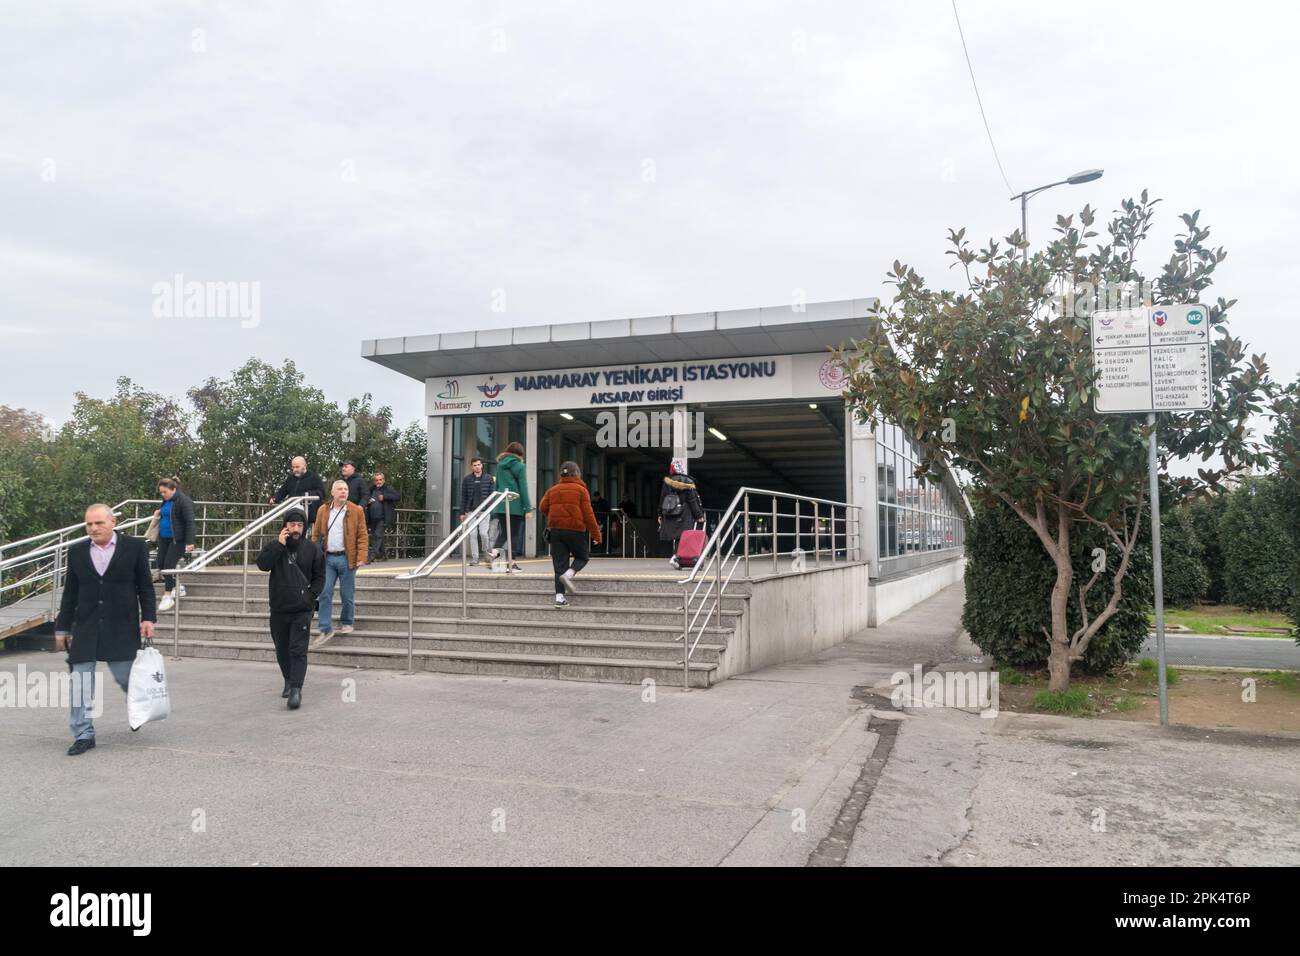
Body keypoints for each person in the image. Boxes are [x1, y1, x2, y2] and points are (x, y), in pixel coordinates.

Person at [54, 504, 157, 756]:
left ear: (112, 522)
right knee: (80, 682)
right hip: (86, 626)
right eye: (89, 524)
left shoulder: (134, 548)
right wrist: (62, 627)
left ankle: (137, 710)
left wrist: (149, 618)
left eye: (99, 523)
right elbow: (70, 592)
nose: (93, 528)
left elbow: (145, 585)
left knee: (126, 679)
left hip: (121, 625)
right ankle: (83, 734)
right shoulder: (77, 551)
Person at [255, 508, 324, 710]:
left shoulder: (312, 550)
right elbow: (263, 565)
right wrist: (279, 544)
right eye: (292, 525)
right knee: (282, 649)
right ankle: (287, 679)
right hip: (278, 608)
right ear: (285, 526)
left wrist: (311, 597)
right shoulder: (275, 547)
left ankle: (296, 689)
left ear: (304, 527)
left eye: (300, 525)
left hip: (302, 609)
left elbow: (320, 577)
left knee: (298, 650)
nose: (296, 529)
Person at [310, 480, 368, 647]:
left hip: (347, 558)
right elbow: (317, 534)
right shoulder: (323, 510)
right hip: (327, 559)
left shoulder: (356, 510)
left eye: (346, 489)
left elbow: (362, 535)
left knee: (346, 593)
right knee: (324, 592)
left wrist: (362, 555)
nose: (343, 491)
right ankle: (325, 628)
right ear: (333, 492)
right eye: (340, 489)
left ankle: (347, 622)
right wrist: (315, 554)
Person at [538, 461, 601, 608]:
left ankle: (559, 598)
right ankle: (568, 575)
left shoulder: (553, 489)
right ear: (577, 473)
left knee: (559, 564)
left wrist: (554, 515)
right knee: (582, 557)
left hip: (556, 531)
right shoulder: (581, 490)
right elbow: (588, 514)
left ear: (561, 474)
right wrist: (596, 534)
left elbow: (542, 507)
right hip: (575, 530)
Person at [486, 441, 532, 572]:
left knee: (504, 533)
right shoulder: (520, 466)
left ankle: (493, 554)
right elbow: (523, 487)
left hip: (501, 505)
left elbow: (497, 485)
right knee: (514, 534)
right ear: (520, 454)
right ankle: (511, 564)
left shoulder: (500, 465)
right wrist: (528, 508)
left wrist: (496, 504)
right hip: (515, 506)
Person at [155, 477, 195, 613]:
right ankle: (178, 587)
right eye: (160, 492)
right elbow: (168, 514)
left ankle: (167, 595)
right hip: (164, 538)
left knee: (168, 566)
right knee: (160, 563)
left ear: (173, 489)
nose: (162, 495)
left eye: (164, 492)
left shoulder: (184, 501)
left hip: (177, 540)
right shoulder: (166, 501)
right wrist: (159, 513)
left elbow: (190, 522)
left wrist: (190, 542)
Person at [658, 457, 705, 570]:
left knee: (677, 537)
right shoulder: (688, 482)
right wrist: (699, 516)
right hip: (684, 514)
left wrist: (660, 514)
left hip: (670, 513)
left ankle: (678, 558)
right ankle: (677, 557)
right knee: (684, 537)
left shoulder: (667, 482)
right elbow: (693, 501)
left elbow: (662, 499)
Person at [459, 457, 495, 564]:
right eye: (474, 465)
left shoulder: (489, 478)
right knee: (473, 535)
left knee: (483, 533)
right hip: (471, 511)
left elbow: (492, 496)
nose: (477, 467)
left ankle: (486, 552)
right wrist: (462, 512)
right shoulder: (467, 479)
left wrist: (489, 508)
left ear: (482, 465)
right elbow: (463, 497)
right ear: (472, 467)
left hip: (484, 511)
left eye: (478, 464)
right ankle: (475, 559)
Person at [271, 456, 327, 526]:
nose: (295, 470)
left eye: (297, 467)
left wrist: (306, 496)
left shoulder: (314, 477)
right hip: (292, 511)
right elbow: (282, 491)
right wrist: (275, 499)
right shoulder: (290, 479)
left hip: (308, 513)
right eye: (293, 467)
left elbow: (322, 493)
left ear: (305, 466)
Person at [364, 472, 401, 563]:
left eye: (380, 480)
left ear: (383, 480)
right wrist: (367, 502)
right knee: (376, 536)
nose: (378, 481)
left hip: (383, 518)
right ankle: (383, 555)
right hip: (372, 518)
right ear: (374, 481)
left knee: (377, 536)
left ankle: (371, 557)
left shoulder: (388, 489)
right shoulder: (371, 489)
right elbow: (364, 499)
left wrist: (385, 497)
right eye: (376, 480)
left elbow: (398, 496)